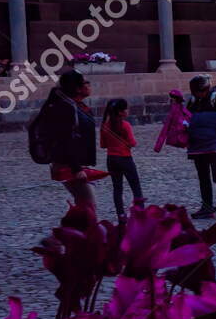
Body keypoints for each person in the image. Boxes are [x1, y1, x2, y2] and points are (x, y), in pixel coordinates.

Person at [32, 71, 104, 213]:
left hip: (79, 163)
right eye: (85, 82)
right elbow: (65, 139)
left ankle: (78, 232)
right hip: (69, 165)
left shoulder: (77, 105)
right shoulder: (64, 107)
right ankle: (84, 233)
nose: (89, 85)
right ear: (77, 88)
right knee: (89, 206)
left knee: (83, 205)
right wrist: (76, 168)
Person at [185, 76, 216, 219]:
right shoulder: (193, 100)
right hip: (198, 144)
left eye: (197, 91)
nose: (195, 94)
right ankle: (207, 207)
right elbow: (188, 117)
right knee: (203, 176)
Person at [100, 97, 145, 218]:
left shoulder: (104, 126)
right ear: (121, 112)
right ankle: (140, 214)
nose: (128, 111)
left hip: (111, 159)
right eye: (126, 109)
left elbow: (103, 145)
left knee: (117, 188)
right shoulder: (125, 125)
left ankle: (120, 215)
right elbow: (132, 143)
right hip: (125, 158)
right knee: (136, 187)